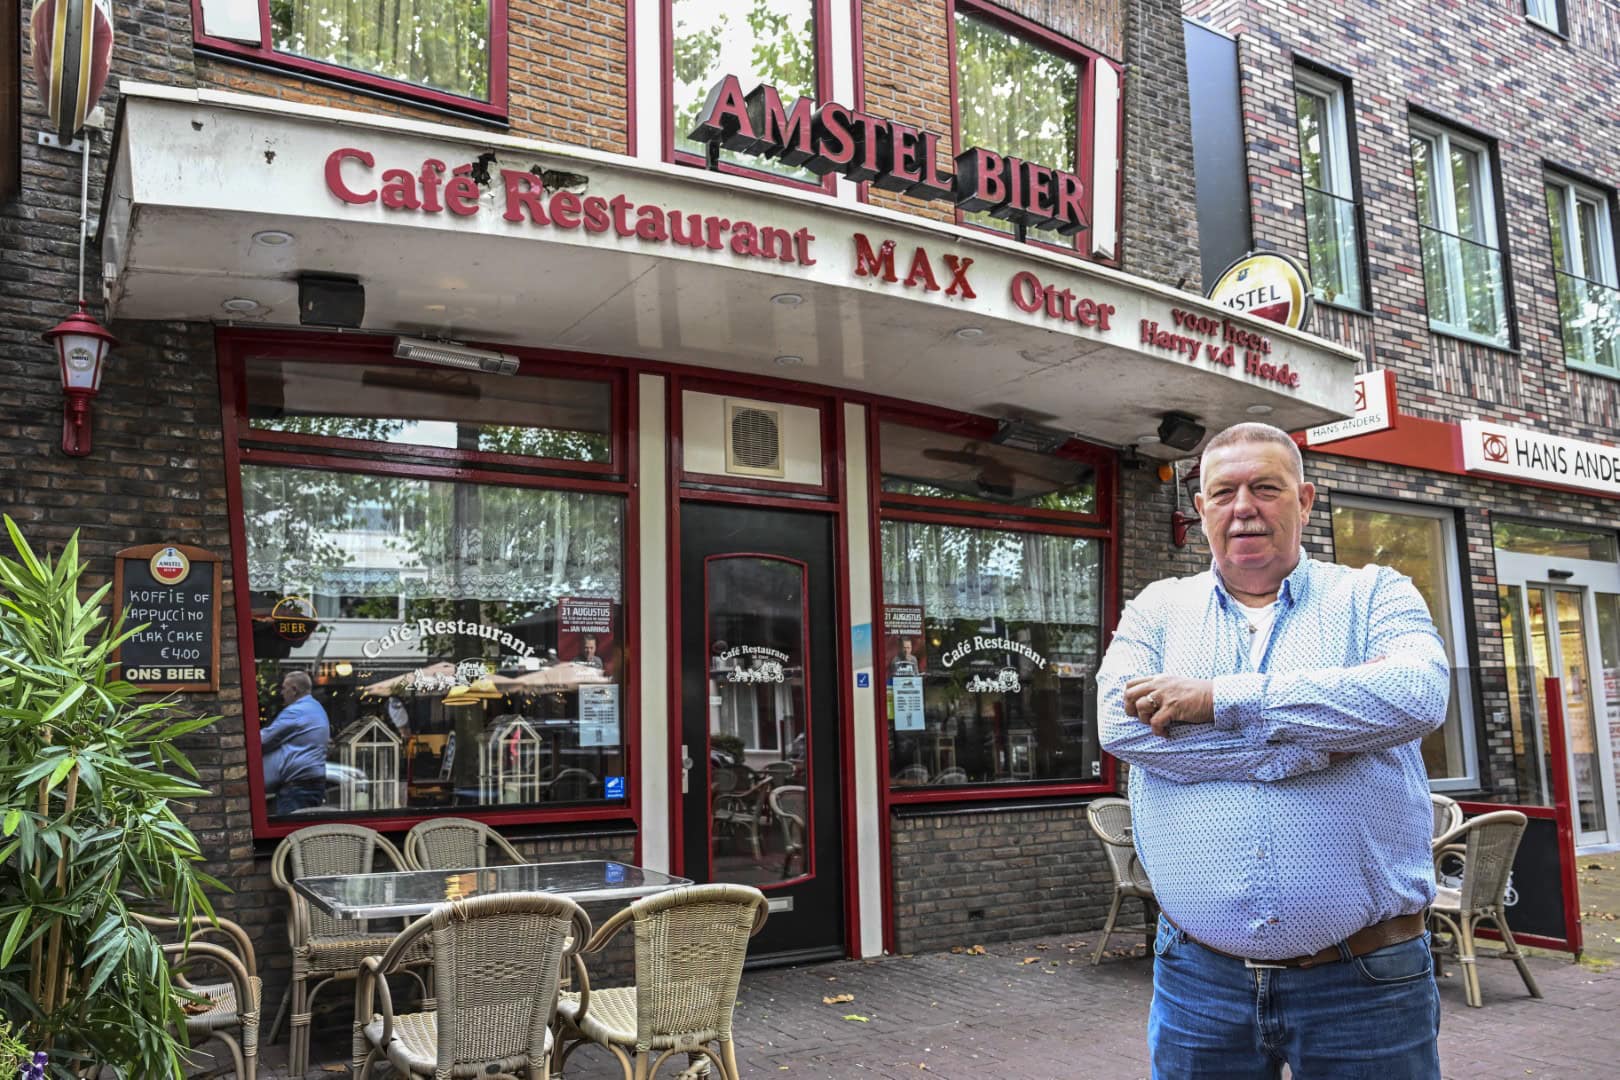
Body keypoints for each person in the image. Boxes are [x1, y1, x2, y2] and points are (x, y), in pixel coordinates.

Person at [1096, 422, 1450, 1079]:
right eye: (1224, 491)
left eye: (1266, 487)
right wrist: (1310, 744)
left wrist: (1217, 701)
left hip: (1366, 980)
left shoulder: (1375, 595)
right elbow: (1120, 730)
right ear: (1199, 509)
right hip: (1198, 982)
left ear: (1306, 500)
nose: (1244, 507)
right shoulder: (1156, 612)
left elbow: (1417, 696)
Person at [262, 669, 331, 816]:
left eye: (284, 688)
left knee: (292, 832)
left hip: (298, 787)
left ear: (294, 690)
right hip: (309, 783)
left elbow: (263, 740)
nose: (281, 693)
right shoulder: (315, 708)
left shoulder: (297, 711)